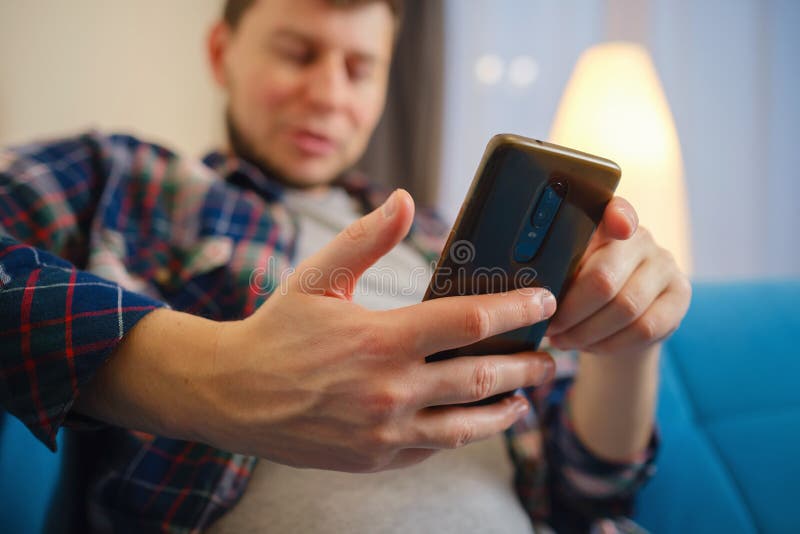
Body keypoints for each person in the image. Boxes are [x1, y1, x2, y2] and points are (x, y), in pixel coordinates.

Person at [0, 0, 691, 532]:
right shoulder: (124, 178)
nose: (330, 95)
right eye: (298, 54)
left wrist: (628, 346)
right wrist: (217, 375)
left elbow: (590, 490)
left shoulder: (449, 240)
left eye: (360, 68)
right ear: (222, 53)